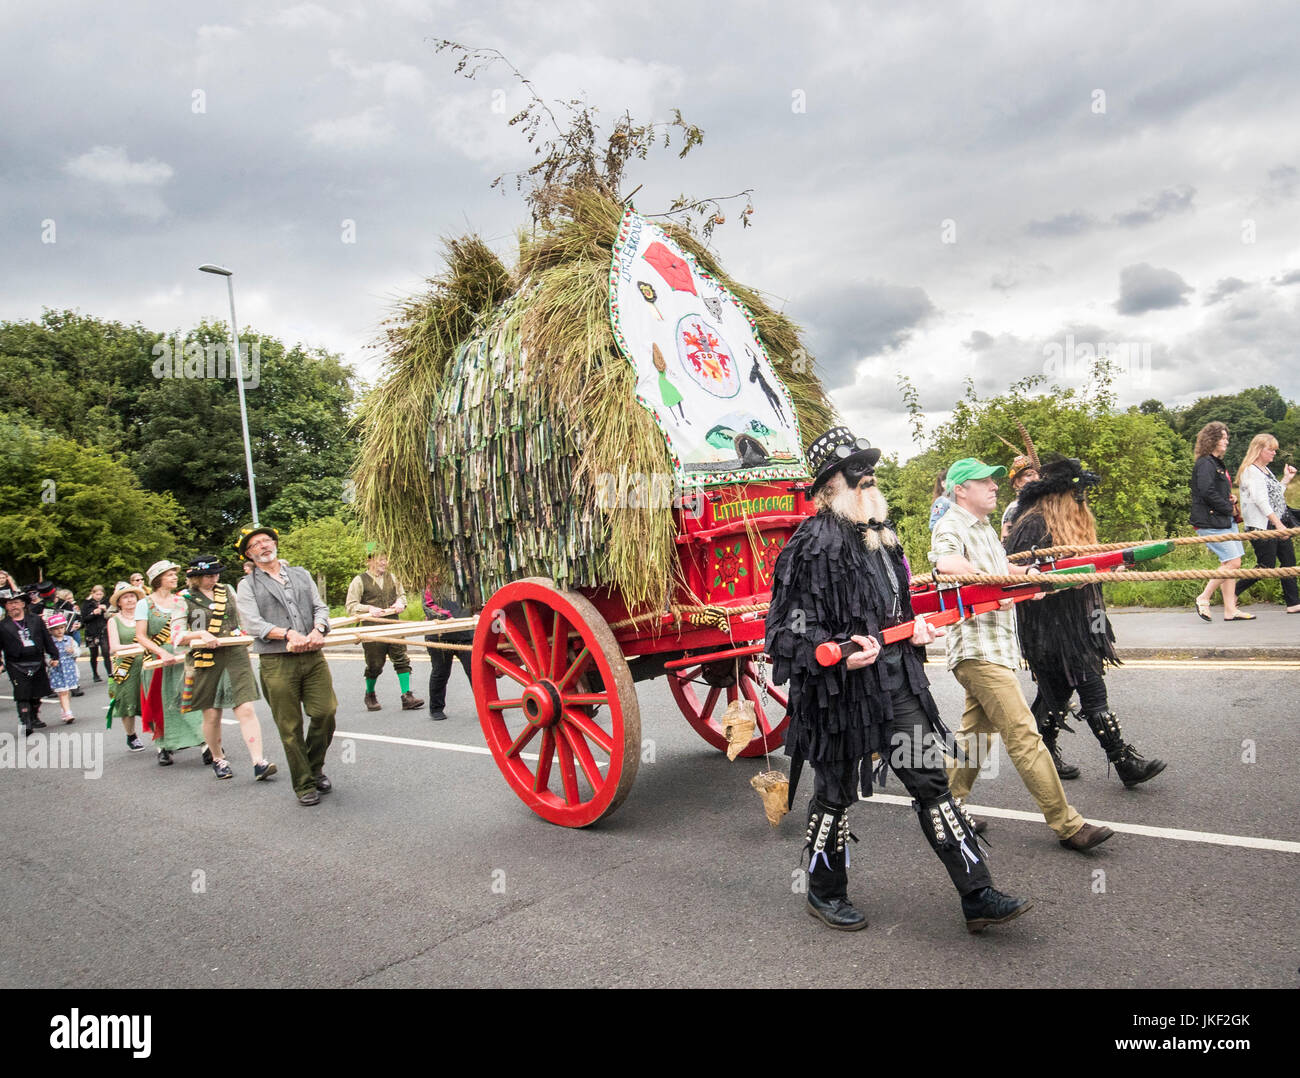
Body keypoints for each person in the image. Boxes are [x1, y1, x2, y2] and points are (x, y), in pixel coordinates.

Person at [766, 428, 1030, 933]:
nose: (868, 476)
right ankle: (823, 892)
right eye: (855, 470)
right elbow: (783, 632)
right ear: (829, 486)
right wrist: (840, 655)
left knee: (933, 783)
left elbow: (898, 611)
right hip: (839, 695)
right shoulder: (811, 543)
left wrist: (917, 630)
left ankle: (978, 894)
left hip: (896, 685)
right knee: (834, 794)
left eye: (870, 468)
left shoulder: (883, 537)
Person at [930, 458, 1114, 851]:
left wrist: (1031, 579)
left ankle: (944, 807)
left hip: (995, 647)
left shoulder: (985, 531)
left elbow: (1001, 572)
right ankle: (1068, 825)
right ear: (961, 489)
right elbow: (947, 563)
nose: (995, 487)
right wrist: (989, 580)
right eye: (984, 482)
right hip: (977, 650)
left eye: (994, 482)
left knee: (977, 736)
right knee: (1024, 735)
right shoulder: (952, 525)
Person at [1006, 457, 1167, 786]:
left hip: (1085, 617)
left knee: (1059, 692)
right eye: (1074, 496)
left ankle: (1045, 751)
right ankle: (1123, 761)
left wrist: (1112, 568)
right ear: (1056, 496)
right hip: (1052, 626)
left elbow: (1089, 565)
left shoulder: (1074, 522)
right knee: (1091, 689)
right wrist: (1063, 580)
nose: (1081, 502)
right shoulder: (1032, 524)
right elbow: (1020, 578)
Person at [235, 524, 337, 806]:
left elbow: (321, 607)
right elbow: (253, 624)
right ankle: (304, 783)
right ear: (249, 554)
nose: (264, 546)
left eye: (267, 540)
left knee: (326, 712)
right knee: (289, 726)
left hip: (313, 656)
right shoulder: (247, 585)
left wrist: (318, 629)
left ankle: (314, 767)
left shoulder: (300, 574)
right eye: (256, 544)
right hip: (277, 661)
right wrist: (288, 633)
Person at [172, 555, 277, 781]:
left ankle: (259, 761)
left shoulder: (227, 590)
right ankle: (218, 758)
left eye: (216, 574)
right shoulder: (183, 598)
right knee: (211, 715)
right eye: (209, 575)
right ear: (196, 577)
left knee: (246, 708)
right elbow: (177, 635)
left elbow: (243, 617)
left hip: (234, 654)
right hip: (204, 659)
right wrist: (199, 633)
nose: (215, 578)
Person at [137, 560, 206, 766]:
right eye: (170, 575)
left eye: (175, 574)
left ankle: (207, 743)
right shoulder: (145, 604)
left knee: (192, 700)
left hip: (183, 656)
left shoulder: (181, 600)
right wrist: (161, 653)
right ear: (158, 580)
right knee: (162, 703)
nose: (175, 577)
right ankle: (163, 746)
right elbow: (141, 636)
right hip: (157, 660)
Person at [345, 544, 423, 711]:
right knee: (375, 665)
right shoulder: (359, 581)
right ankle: (370, 694)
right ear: (369, 560)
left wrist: (400, 603)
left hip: (393, 625)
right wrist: (369, 609)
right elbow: (351, 606)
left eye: (385, 559)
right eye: (380, 559)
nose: (384, 562)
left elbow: (402, 596)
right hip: (372, 629)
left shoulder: (393, 578)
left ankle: (407, 696)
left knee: (401, 659)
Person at [1189, 422, 1251, 621]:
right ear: (1212, 439)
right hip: (1211, 521)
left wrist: (1231, 500)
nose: (1227, 441)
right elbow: (1206, 491)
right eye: (1223, 438)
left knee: (1229, 563)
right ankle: (1203, 597)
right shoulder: (1205, 463)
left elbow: (1217, 490)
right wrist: (1228, 508)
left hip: (1224, 520)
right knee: (1233, 562)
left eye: (1227, 438)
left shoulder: (1216, 463)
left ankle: (1230, 610)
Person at [1236, 433, 1300, 614]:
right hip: (1262, 525)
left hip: (1276, 521)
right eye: (1270, 450)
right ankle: (1232, 593)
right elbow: (1261, 501)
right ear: (1258, 450)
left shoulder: (1266, 470)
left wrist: (1286, 479)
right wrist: (1278, 525)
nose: (1274, 453)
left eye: (1274, 450)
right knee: (1266, 565)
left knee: (1289, 562)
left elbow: (1274, 496)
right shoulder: (1251, 471)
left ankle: (1293, 602)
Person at [0, 586, 60, 735]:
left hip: (37, 660)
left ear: (23, 604)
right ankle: (25, 722)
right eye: (9, 603)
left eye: (16, 602)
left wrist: (54, 655)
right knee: (22, 693)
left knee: (38, 692)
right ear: (6, 606)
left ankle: (34, 716)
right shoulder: (2, 626)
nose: (13, 605)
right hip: (16, 663)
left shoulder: (35, 620)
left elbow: (47, 638)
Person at [423, 576, 472, 722]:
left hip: (465, 633)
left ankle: (488, 704)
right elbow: (428, 606)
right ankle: (436, 708)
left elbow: (476, 602)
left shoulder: (466, 577)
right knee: (440, 672)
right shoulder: (431, 582)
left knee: (475, 671)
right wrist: (446, 616)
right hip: (440, 634)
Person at [106, 583, 148, 751]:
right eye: (125, 597)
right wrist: (139, 647)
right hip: (125, 666)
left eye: (132, 596)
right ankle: (131, 735)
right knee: (127, 701)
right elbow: (114, 647)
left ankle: (160, 734)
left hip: (146, 663)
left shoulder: (145, 617)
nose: (130, 599)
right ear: (119, 602)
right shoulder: (114, 620)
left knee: (150, 698)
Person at [45, 611, 81, 723]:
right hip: (57, 670)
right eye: (56, 628)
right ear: (50, 630)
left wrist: (73, 651)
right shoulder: (50, 642)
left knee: (67, 690)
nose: (60, 630)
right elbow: (45, 655)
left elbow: (78, 652)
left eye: (62, 627)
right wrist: (50, 661)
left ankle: (65, 710)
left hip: (69, 669)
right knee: (62, 692)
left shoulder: (69, 640)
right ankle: (68, 712)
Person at [1000, 455, 1040, 539]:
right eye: (1029, 475)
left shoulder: (1044, 505)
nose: (1035, 478)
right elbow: (1005, 540)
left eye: (1036, 474)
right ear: (1018, 482)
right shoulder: (1014, 509)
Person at [80, 585, 110, 682]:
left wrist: (105, 610)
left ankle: (110, 673)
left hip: (103, 630)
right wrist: (93, 613)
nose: (99, 596)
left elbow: (110, 616)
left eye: (101, 594)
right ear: (92, 593)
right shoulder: (87, 604)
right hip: (91, 631)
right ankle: (95, 674)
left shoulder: (106, 602)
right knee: (94, 654)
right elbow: (84, 619)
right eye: (97, 594)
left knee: (106, 653)